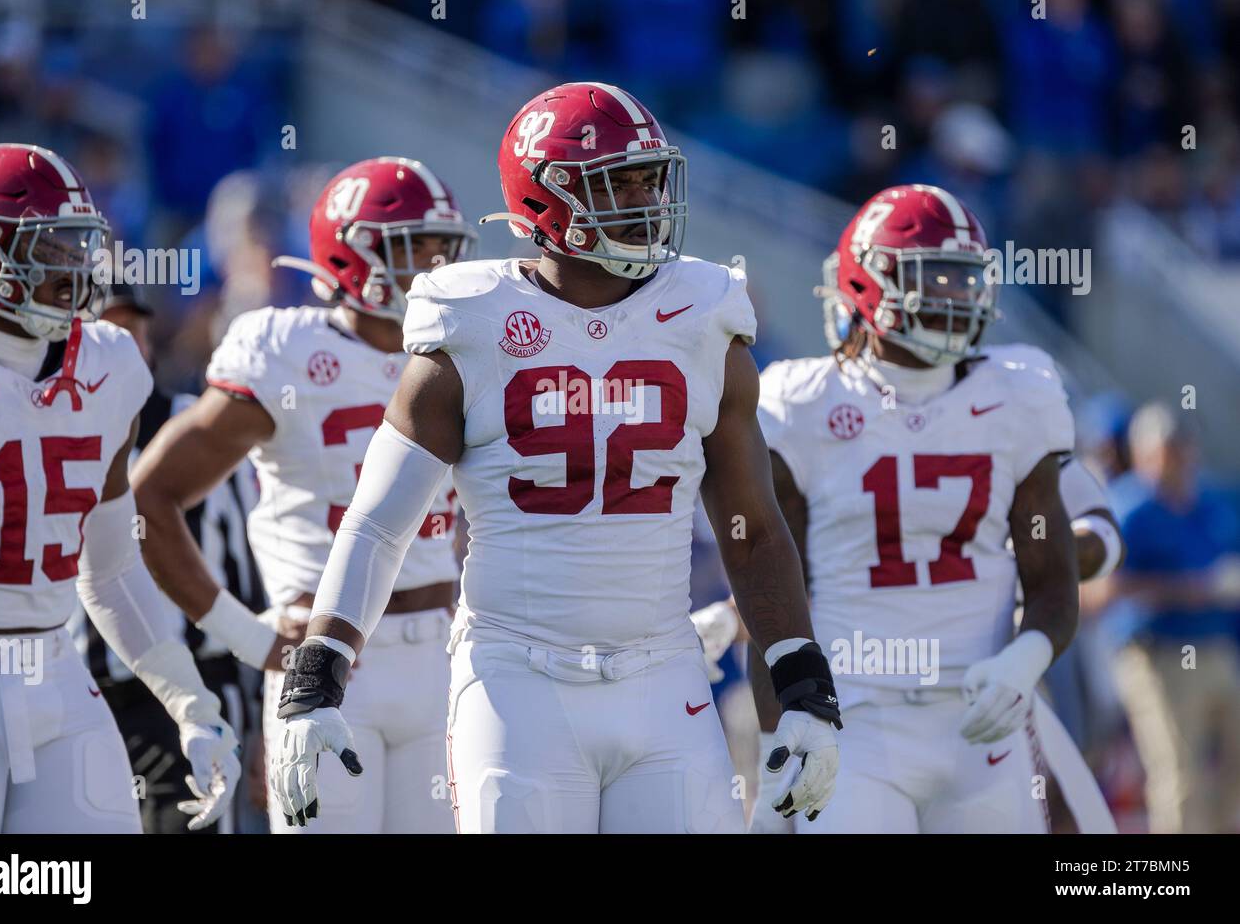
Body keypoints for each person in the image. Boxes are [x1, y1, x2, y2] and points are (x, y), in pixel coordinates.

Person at [268, 81, 843, 833]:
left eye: (650, 179)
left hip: (663, 673)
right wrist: (318, 672)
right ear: (548, 197)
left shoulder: (702, 320)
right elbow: (379, 522)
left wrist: (803, 681)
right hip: (516, 682)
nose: (646, 200)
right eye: (620, 183)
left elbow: (754, 528)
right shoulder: (471, 324)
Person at [131, 157, 474, 833]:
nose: (436, 267)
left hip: (444, 653)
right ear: (353, 256)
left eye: (445, 247)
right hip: (324, 658)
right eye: (416, 248)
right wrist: (245, 633)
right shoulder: (285, 348)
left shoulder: (465, 347)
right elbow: (149, 500)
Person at [747, 184, 1079, 833]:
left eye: (965, 277)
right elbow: (774, 598)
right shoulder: (802, 402)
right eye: (935, 277)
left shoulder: (1018, 391)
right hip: (850, 715)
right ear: (867, 282)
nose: (957, 296)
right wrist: (771, 746)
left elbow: (1054, 579)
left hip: (982, 716)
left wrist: (1025, 659)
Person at [0, 143, 239, 832]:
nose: (71, 266)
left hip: (55, 665)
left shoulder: (111, 363)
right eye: (46, 247)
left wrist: (191, 703)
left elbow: (109, 569)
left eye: (77, 244)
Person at [69, 280, 267, 833]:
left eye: (134, 331)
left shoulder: (194, 425)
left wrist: (266, 707)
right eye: (109, 330)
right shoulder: (53, 421)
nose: (126, 346)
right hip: (88, 692)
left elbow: (252, 569)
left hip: (200, 682)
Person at [1110, 401, 1240, 833]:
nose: (1182, 456)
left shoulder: (1210, 503)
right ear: (1146, 453)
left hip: (1216, 648)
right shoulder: (1131, 508)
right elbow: (1101, 589)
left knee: (1233, 764)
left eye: (1185, 446)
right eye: (1171, 448)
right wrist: (1186, 588)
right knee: (1180, 772)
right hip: (1160, 655)